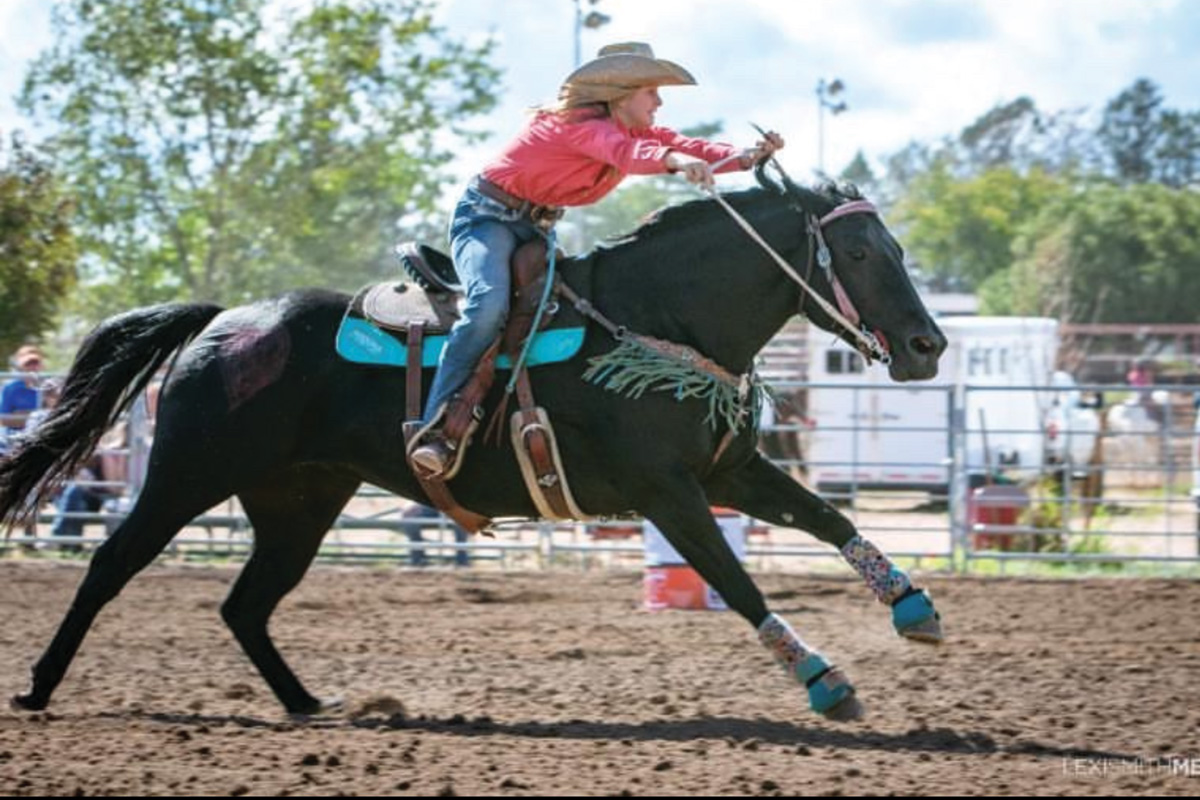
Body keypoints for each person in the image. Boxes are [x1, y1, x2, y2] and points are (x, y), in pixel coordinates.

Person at [408, 41, 784, 476]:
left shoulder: (631, 133)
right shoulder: (577, 127)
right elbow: (631, 154)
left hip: (534, 229)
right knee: (488, 303)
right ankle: (435, 423)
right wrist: (676, 162)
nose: (658, 102)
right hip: (485, 219)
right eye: (651, 92)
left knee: (573, 307)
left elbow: (685, 144)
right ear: (621, 96)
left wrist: (745, 157)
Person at [398, 503, 470, 567]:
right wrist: (413, 503)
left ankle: (462, 561)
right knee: (410, 517)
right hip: (429, 505)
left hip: (454, 505)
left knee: (462, 520)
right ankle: (418, 559)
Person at [1, 345, 45, 444]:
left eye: (35, 363)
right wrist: (34, 416)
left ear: (41, 365)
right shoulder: (10, 387)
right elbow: (4, 420)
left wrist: (20, 414)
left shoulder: (50, 386)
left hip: (43, 436)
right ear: (20, 366)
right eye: (28, 364)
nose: (32, 368)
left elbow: (56, 414)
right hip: (15, 436)